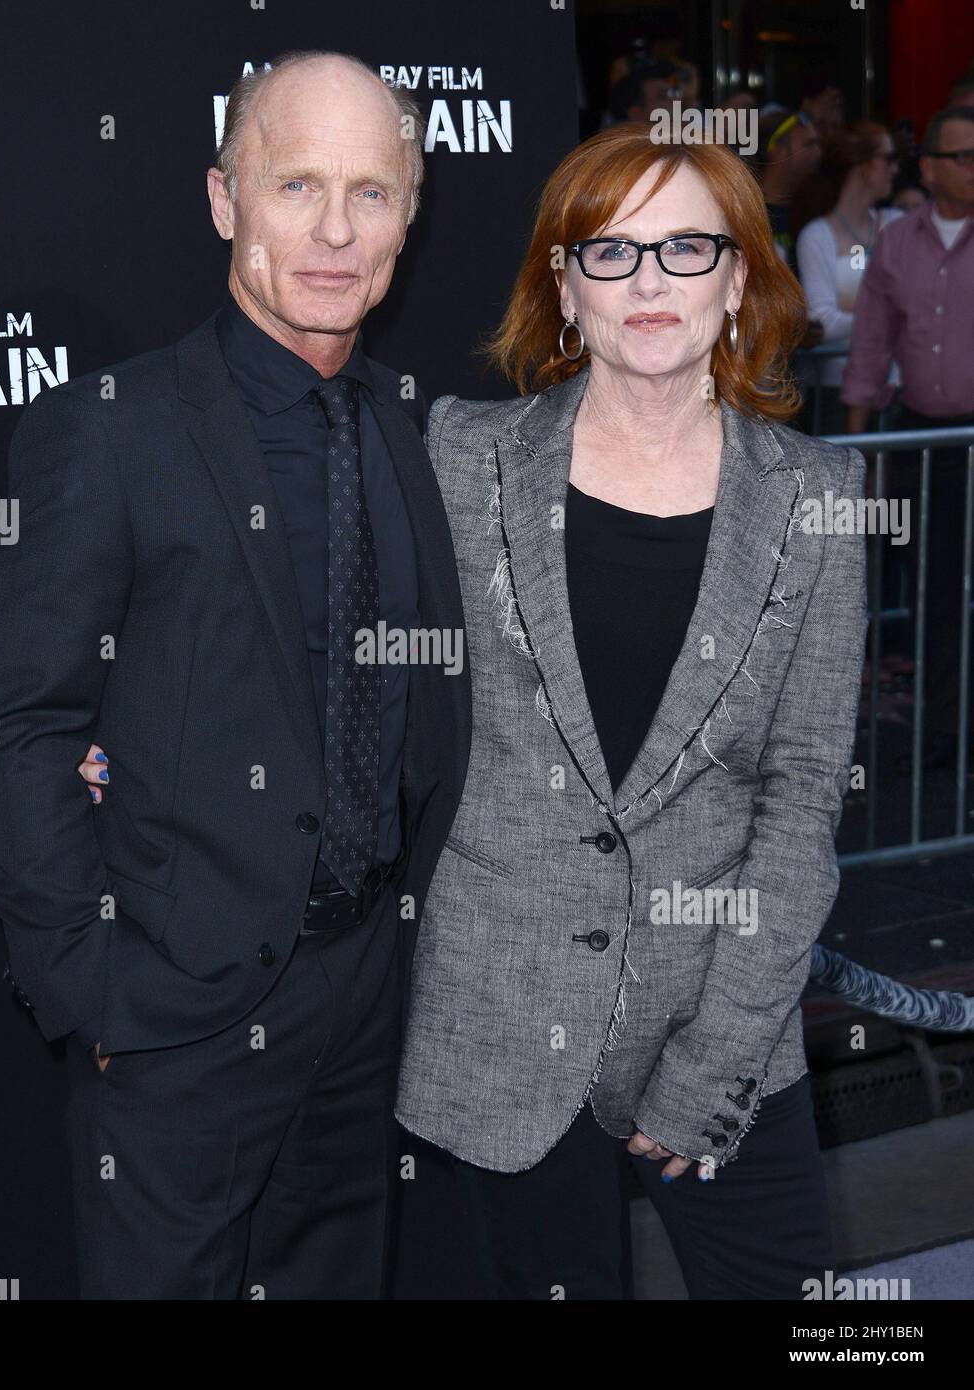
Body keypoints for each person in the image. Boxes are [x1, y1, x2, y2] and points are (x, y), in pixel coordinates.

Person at [0, 50, 471, 1299]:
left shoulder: (409, 432)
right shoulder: (116, 428)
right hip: (176, 1020)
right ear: (220, 198)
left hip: (362, 1005)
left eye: (373, 191)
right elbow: (22, 725)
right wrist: (94, 986)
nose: (337, 233)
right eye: (295, 185)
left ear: (410, 212)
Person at [390, 125, 868, 1299]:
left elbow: (801, 796)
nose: (648, 283)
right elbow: (323, 646)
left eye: (684, 249)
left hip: (721, 1010)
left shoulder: (816, 498)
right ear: (562, 287)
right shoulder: (461, 459)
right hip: (498, 1018)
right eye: (608, 253)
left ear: (738, 278)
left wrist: (712, 1062)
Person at [841, 106, 974, 770]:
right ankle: (948, 730)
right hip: (924, 438)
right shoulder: (895, 244)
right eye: (963, 156)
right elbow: (868, 349)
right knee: (937, 590)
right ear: (930, 167)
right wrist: (860, 455)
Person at [795, 121, 903, 433]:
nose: (895, 170)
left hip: (894, 384)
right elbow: (822, 322)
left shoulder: (897, 226)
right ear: (864, 167)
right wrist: (890, 319)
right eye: (889, 160)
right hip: (834, 390)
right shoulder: (817, 235)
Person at [757, 109, 823, 269]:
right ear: (777, 151)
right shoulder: (748, 211)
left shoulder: (815, 208)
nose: (818, 153)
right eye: (809, 144)